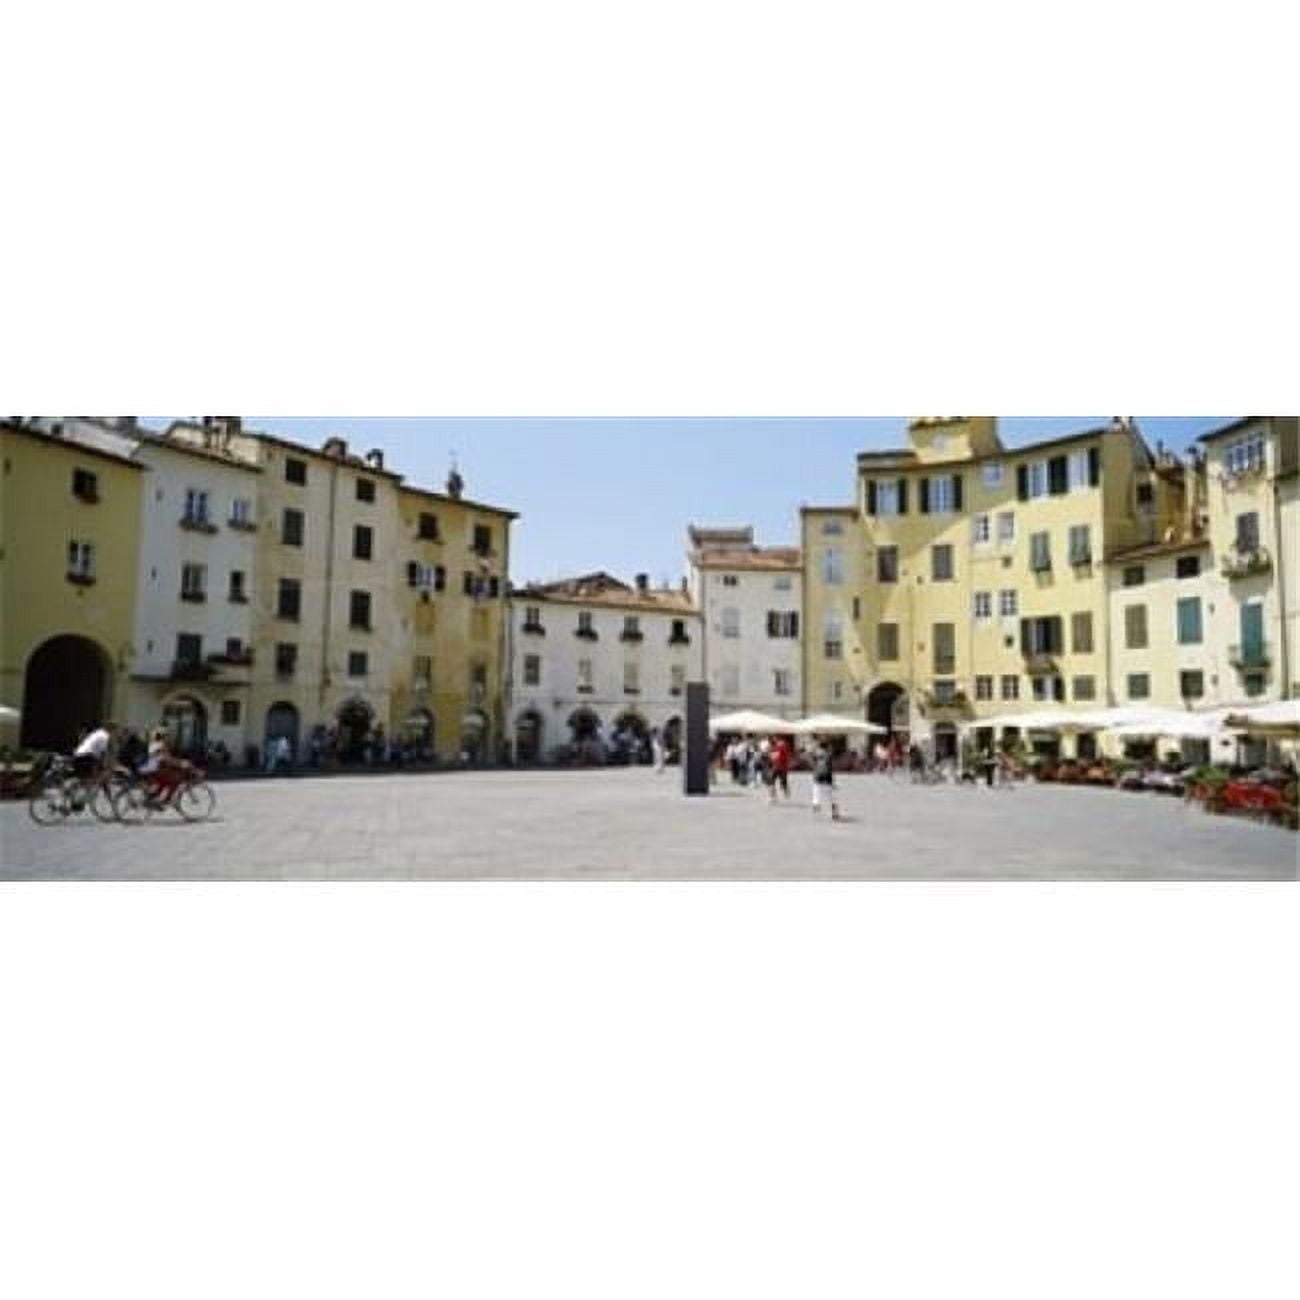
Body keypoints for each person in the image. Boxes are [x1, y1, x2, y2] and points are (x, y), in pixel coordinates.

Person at [811, 739, 840, 820]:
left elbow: (813, 762)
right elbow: (830, 767)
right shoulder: (829, 754)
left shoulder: (816, 753)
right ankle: (834, 811)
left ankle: (816, 802)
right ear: (827, 746)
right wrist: (833, 781)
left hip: (818, 774)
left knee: (816, 787)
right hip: (827, 775)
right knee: (830, 794)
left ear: (819, 746)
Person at [772, 734, 792, 800]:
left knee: (783, 781)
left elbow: (786, 756)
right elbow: (774, 756)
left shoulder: (782, 746)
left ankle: (785, 792)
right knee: (772, 780)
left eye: (775, 738)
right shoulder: (775, 746)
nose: (774, 739)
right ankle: (773, 795)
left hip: (781, 767)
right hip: (777, 766)